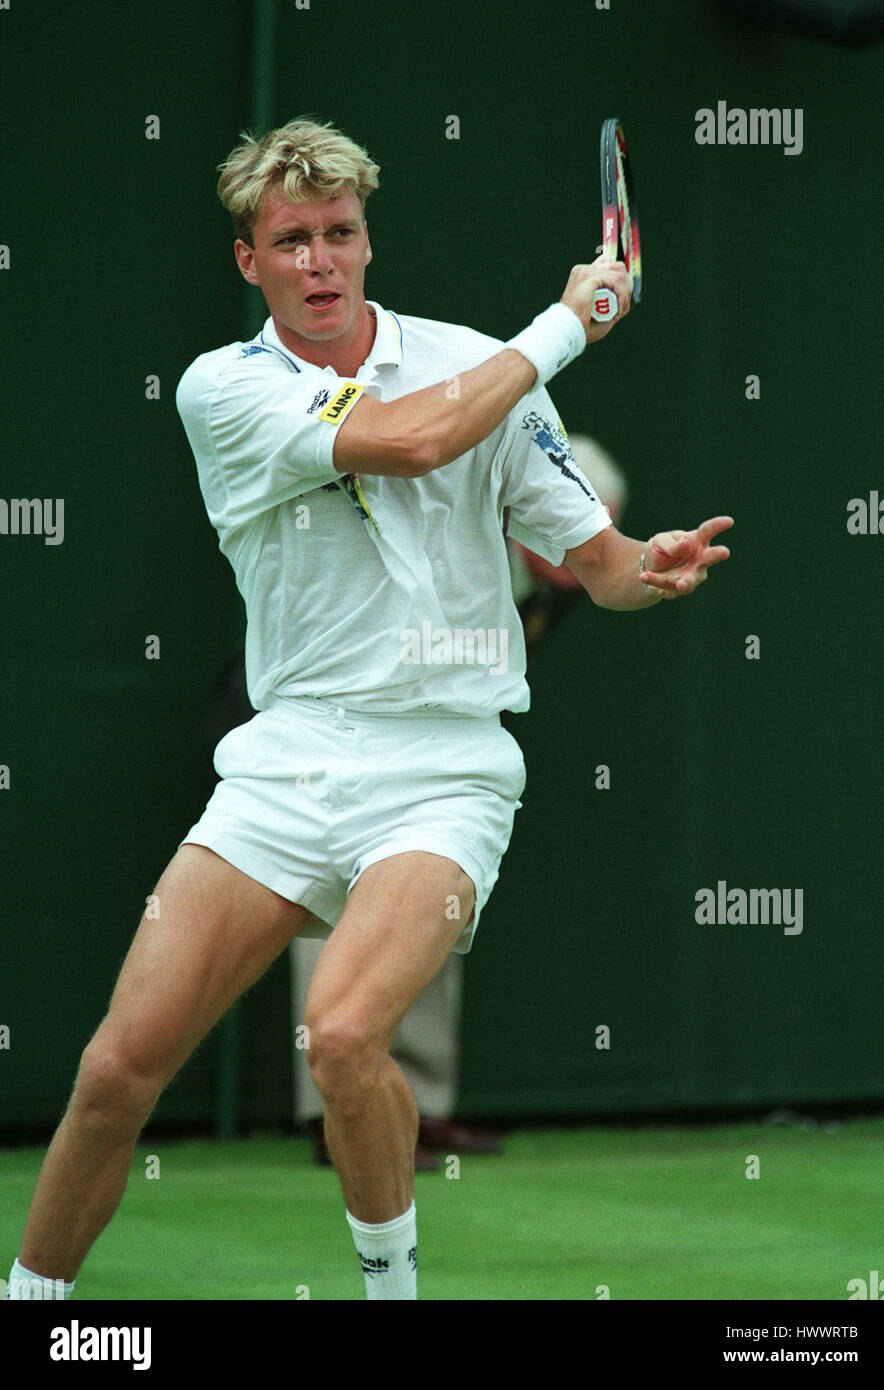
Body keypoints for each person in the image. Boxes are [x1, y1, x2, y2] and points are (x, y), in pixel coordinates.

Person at [5, 116, 731, 1303]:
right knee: (114, 1069)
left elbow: (589, 558)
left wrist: (640, 565)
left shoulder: (472, 361)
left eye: (338, 233)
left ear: (365, 241)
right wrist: (565, 326)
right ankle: (32, 1308)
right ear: (249, 261)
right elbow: (413, 436)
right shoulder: (223, 390)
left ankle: (388, 1294)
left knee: (342, 1037)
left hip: (445, 772)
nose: (317, 261)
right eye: (289, 241)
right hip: (283, 765)